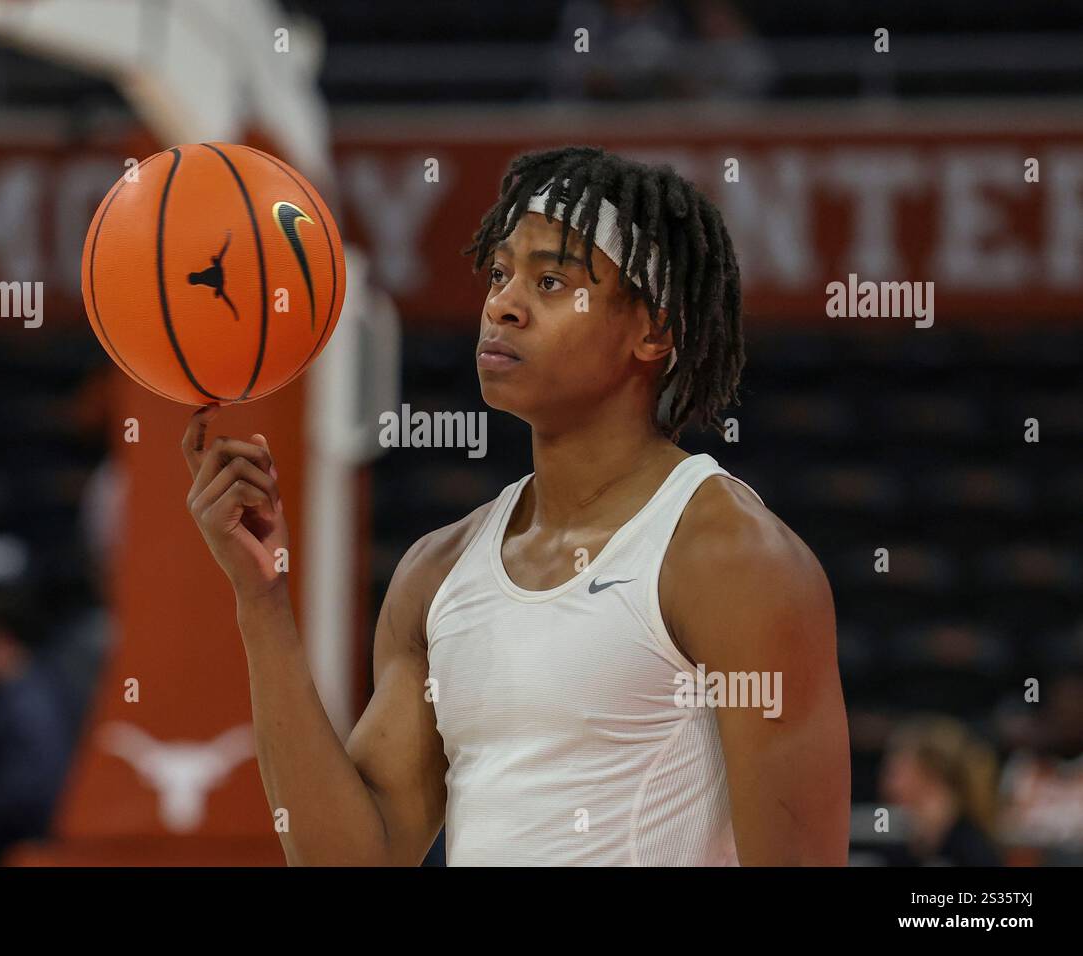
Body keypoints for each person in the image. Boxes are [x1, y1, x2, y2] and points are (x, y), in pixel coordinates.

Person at [182, 145, 850, 865]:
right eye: (499, 273)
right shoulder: (436, 571)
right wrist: (261, 600)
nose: (502, 303)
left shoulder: (734, 561)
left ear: (652, 331)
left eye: (552, 280)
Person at [880, 716, 1003, 866]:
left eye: (896, 771)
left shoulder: (971, 846)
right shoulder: (907, 844)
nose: (886, 780)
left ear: (930, 772)